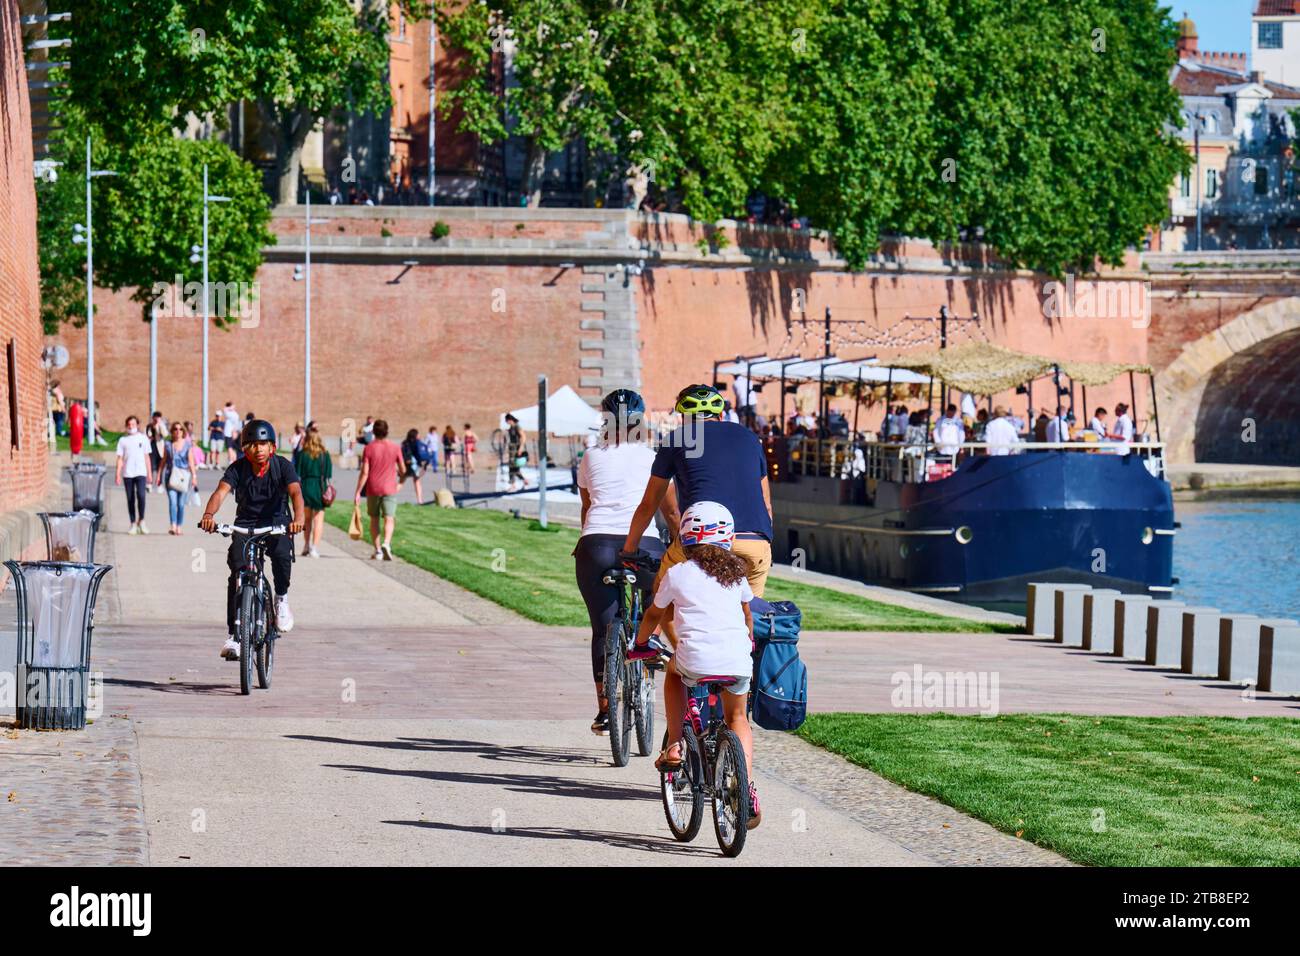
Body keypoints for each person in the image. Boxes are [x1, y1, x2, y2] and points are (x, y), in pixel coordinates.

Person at [628, 501, 760, 829]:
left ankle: (675, 743)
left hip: (696, 660)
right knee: (737, 717)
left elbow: (654, 615)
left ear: (686, 539)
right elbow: (747, 617)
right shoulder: (738, 575)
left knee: (674, 672)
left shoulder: (677, 573)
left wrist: (640, 645)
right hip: (736, 659)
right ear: (727, 538)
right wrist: (749, 642)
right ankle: (747, 788)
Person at [574, 389, 673, 736]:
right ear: (640, 421)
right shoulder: (653, 457)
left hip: (596, 545)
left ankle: (604, 710)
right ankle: (651, 641)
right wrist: (677, 542)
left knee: (602, 630)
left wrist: (586, 538)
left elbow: (587, 509)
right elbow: (669, 509)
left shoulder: (589, 456)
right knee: (659, 592)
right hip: (642, 543)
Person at [199, 420, 304, 661]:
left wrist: (298, 519)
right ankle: (234, 636)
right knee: (237, 570)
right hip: (245, 523)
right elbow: (221, 491)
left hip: (277, 521)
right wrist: (208, 515)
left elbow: (296, 492)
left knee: (280, 555)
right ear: (245, 449)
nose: (258, 450)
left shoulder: (283, 466)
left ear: (273, 447)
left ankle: (281, 598)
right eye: (253, 445)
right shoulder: (237, 469)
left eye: (263, 444)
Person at [353, 418, 406, 560]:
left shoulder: (369, 448)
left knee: (374, 519)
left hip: (373, 488)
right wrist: (400, 483)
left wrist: (358, 491)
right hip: (390, 487)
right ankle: (387, 543)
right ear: (387, 431)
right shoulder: (395, 448)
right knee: (389, 518)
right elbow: (403, 469)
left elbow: (364, 472)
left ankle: (377, 551)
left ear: (374, 432)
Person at [296, 425, 333, 558]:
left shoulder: (302, 454)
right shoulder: (325, 455)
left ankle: (306, 545)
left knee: (307, 519)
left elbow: (298, 472)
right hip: (319, 487)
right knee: (318, 519)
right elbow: (328, 474)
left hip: (305, 487)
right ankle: (314, 548)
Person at [115, 415, 154, 534]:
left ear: (137, 425)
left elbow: (147, 457)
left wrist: (149, 473)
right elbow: (120, 458)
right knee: (130, 498)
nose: (131, 427)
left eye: (133, 424)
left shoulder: (143, 438)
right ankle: (132, 523)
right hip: (128, 473)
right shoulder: (123, 440)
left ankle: (141, 520)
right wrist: (118, 474)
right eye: (129, 425)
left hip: (141, 472)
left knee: (141, 496)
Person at [162, 421, 200, 535]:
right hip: (170, 476)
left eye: (180, 429)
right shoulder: (168, 444)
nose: (178, 431)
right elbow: (164, 460)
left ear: (183, 431)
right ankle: (173, 525)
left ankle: (179, 526)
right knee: (173, 502)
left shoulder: (187, 444)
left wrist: (194, 477)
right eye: (175, 429)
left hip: (183, 476)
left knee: (181, 504)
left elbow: (191, 461)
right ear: (172, 431)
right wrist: (158, 475)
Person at [400, 428, 427, 505]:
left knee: (402, 481)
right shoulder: (416, 443)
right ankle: (420, 500)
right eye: (418, 434)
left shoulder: (404, 443)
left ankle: (389, 496)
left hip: (406, 464)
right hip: (413, 465)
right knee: (417, 481)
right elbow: (419, 454)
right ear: (415, 435)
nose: (419, 435)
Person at [147, 411, 168, 493]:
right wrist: (153, 427)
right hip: (152, 447)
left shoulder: (162, 425)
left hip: (160, 448)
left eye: (158, 417)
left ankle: (159, 484)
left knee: (160, 468)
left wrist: (159, 426)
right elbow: (148, 434)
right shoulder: (150, 425)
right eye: (155, 417)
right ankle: (149, 484)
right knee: (151, 467)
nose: (156, 419)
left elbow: (165, 434)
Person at [505, 414, 524, 491]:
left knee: (513, 467)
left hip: (516, 449)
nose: (506, 422)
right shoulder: (511, 427)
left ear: (510, 420)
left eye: (506, 420)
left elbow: (523, 436)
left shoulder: (517, 426)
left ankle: (522, 481)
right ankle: (515, 484)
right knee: (512, 467)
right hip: (512, 450)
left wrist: (521, 447)